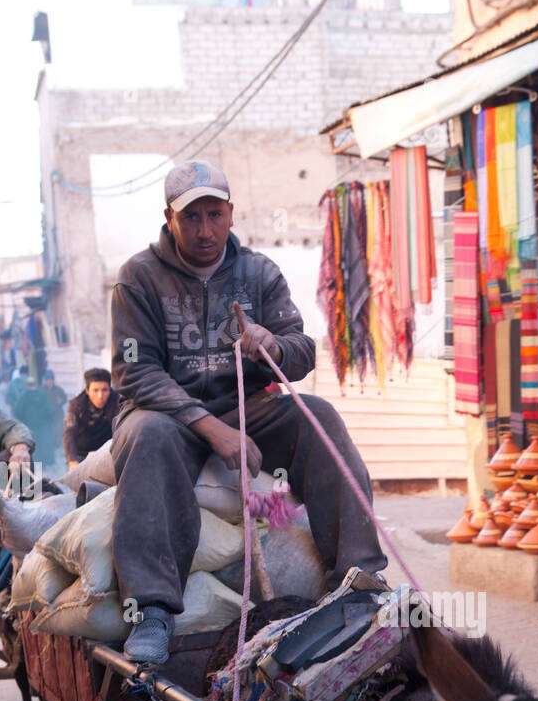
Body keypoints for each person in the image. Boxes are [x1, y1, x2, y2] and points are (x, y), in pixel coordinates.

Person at [110, 159, 386, 665]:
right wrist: (213, 430)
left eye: (214, 215)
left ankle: (358, 580)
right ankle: (151, 608)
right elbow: (135, 374)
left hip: (249, 406)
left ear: (231, 213)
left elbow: (302, 351)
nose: (205, 229)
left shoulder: (258, 272)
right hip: (168, 414)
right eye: (190, 218)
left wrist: (272, 348)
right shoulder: (138, 278)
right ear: (168, 219)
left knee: (318, 416)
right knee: (145, 434)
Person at [63, 368, 119, 467]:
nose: (100, 396)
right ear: (87, 391)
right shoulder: (76, 406)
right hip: (82, 454)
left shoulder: (116, 402)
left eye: (104, 390)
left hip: (107, 453)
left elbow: (121, 430)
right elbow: (69, 433)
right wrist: (72, 460)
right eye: (95, 390)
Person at [12, 378, 58, 466]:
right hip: (43, 426)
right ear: (36, 385)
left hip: (29, 425)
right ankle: (47, 463)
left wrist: (22, 420)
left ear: (27, 386)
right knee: (44, 443)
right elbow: (49, 410)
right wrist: (48, 421)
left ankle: (37, 465)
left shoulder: (23, 396)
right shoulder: (43, 395)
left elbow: (18, 411)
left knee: (34, 446)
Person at [42, 369, 68, 441]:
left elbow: (65, 399)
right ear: (46, 381)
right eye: (48, 380)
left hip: (58, 414)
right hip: (47, 414)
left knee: (59, 430)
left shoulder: (58, 389)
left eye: (51, 380)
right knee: (49, 431)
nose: (50, 382)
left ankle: (59, 445)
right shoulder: (42, 390)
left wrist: (61, 401)